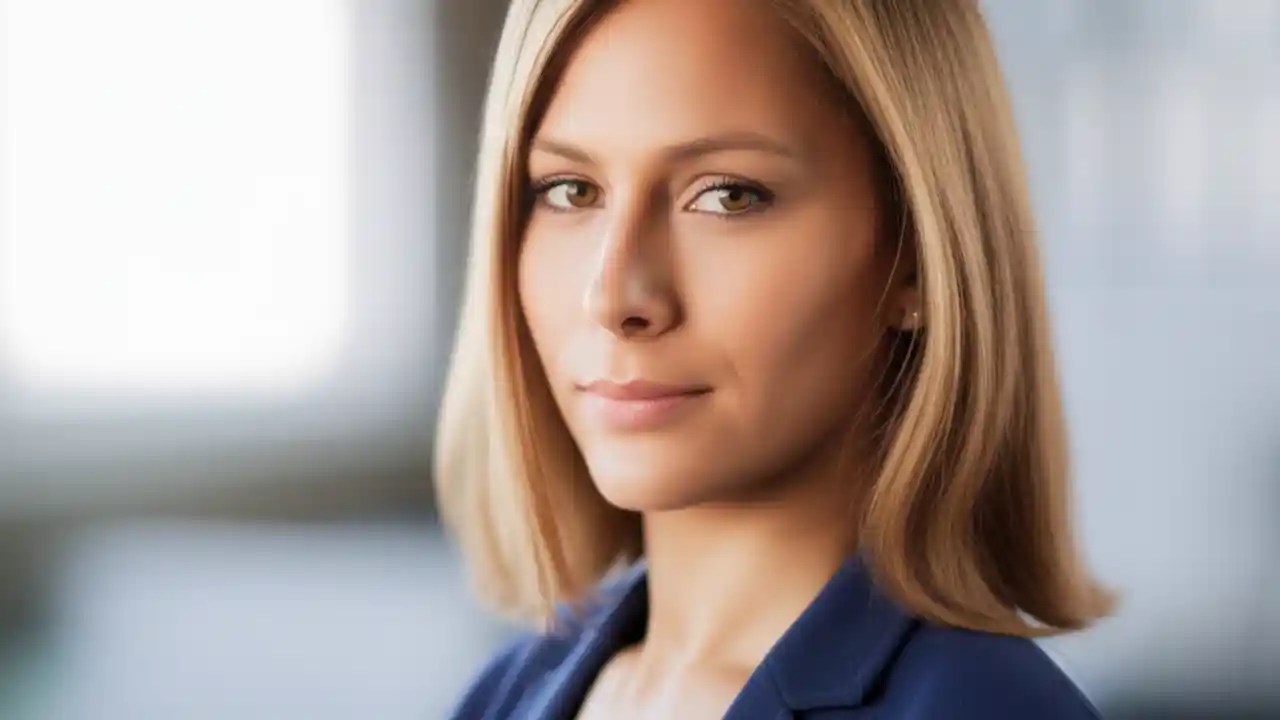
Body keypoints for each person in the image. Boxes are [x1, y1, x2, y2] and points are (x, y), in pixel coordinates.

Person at [435, 0, 1117, 717]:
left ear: (918, 257)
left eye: (729, 195)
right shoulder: (505, 694)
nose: (613, 295)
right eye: (570, 191)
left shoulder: (982, 708)